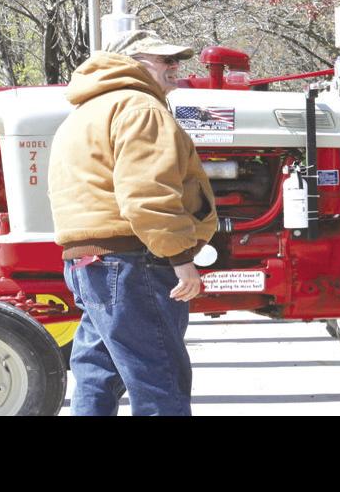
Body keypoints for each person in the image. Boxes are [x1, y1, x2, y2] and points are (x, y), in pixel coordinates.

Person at [48, 29, 217, 416]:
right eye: (166, 60)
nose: (176, 67)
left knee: (97, 372)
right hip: (132, 261)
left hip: (87, 262)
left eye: (177, 60)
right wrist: (181, 258)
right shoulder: (141, 109)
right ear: (132, 64)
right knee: (159, 377)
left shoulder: (84, 112)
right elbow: (147, 194)